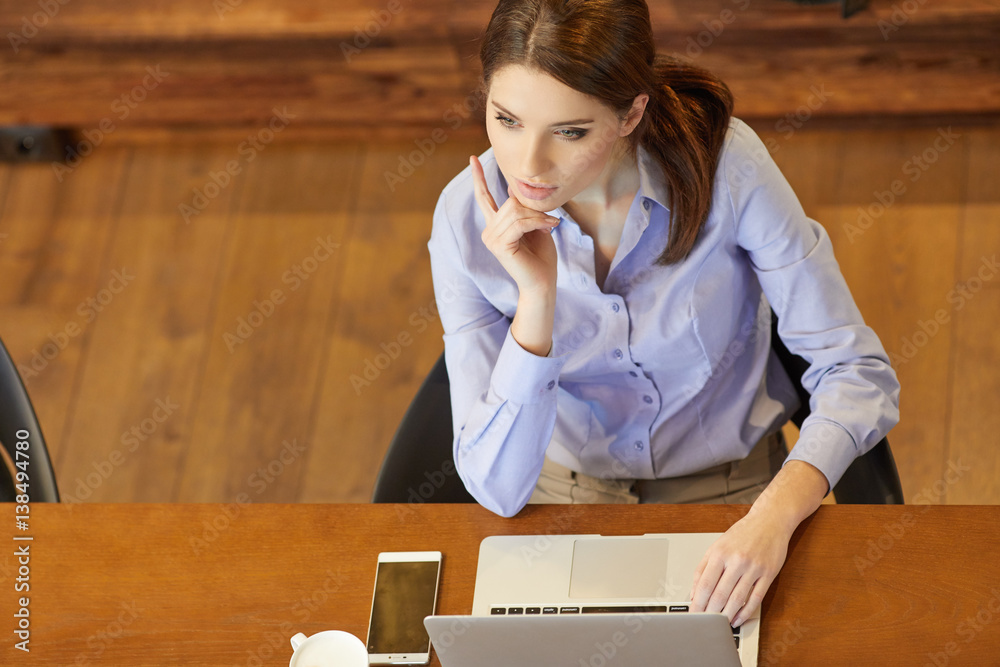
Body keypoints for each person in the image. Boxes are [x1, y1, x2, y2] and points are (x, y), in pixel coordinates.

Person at [426, 0, 900, 629]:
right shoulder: (464, 219)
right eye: (507, 120)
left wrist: (773, 517)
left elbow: (855, 371)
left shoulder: (728, 167)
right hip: (556, 500)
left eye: (570, 132)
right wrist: (536, 306)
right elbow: (498, 489)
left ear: (631, 114)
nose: (527, 166)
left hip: (732, 496)